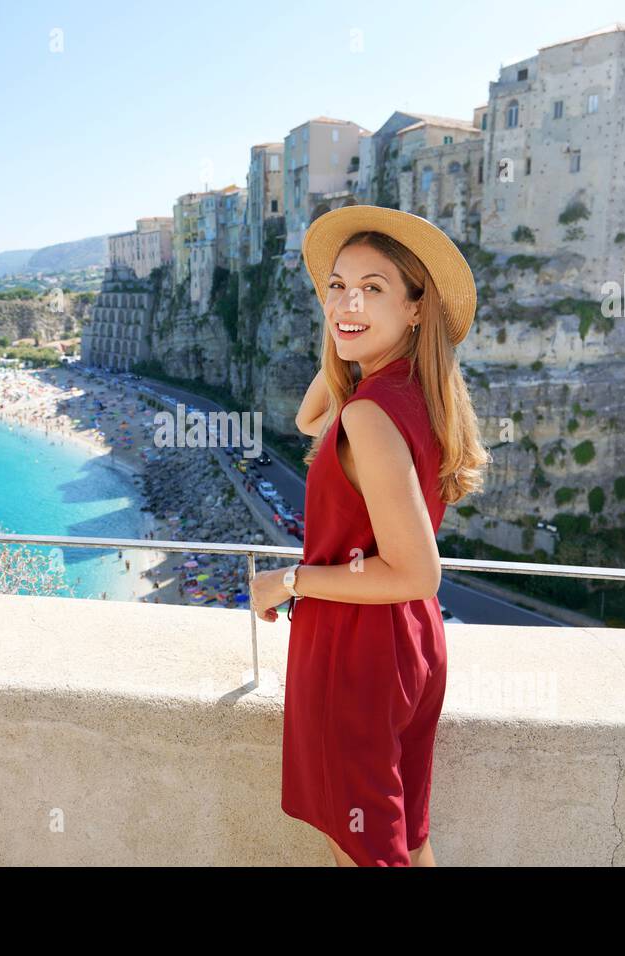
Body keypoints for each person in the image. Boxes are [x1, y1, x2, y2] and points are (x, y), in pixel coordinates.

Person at [249, 206, 490, 867]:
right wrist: (348, 335)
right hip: (409, 643)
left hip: (355, 652)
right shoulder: (413, 391)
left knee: (364, 853)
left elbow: (416, 571)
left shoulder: (368, 417)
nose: (346, 300)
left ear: (418, 308)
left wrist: (289, 581)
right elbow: (306, 419)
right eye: (336, 285)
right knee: (405, 840)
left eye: (374, 287)